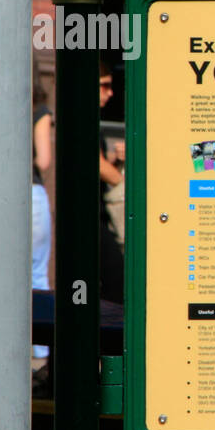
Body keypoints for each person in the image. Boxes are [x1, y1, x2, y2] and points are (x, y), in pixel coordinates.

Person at [31, 62, 54, 360]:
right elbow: (44, 160)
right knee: (37, 274)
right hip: (31, 193)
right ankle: (41, 348)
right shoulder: (39, 108)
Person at [98, 59, 125, 303]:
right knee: (116, 282)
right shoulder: (81, 119)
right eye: (104, 86)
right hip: (93, 220)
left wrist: (114, 162)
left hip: (99, 217)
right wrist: (126, 185)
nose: (110, 92)